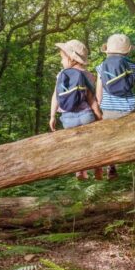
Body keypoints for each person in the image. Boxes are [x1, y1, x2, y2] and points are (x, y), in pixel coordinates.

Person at [94, 34, 135, 181]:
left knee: (108, 139)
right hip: (128, 109)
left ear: (108, 51)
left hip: (108, 111)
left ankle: (111, 167)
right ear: (127, 51)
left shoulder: (101, 67)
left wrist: (99, 110)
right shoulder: (132, 67)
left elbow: (99, 94)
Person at [49, 39, 103, 180]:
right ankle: (98, 168)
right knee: (92, 143)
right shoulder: (89, 75)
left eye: (62, 58)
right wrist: (98, 115)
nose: (61, 62)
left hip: (68, 118)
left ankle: (80, 171)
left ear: (71, 58)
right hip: (86, 115)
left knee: (76, 145)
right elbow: (92, 99)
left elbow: (56, 96)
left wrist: (52, 116)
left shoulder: (62, 75)